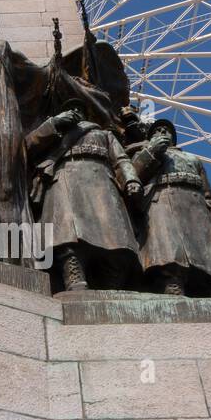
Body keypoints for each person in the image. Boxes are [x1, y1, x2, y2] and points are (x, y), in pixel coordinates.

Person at [27, 99, 142, 291]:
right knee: (68, 236)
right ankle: (74, 280)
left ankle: (111, 284)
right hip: (66, 179)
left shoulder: (103, 134)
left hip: (102, 182)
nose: (74, 112)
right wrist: (54, 123)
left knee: (117, 238)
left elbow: (121, 160)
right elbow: (28, 146)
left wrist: (131, 180)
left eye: (79, 109)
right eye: (70, 108)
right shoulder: (54, 132)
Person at [131, 119, 211, 302]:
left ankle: (207, 297)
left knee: (206, 258)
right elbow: (134, 175)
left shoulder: (193, 160)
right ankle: (173, 289)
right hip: (163, 202)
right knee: (171, 253)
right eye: (157, 130)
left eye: (167, 130)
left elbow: (209, 197)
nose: (162, 131)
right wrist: (151, 152)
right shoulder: (144, 153)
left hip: (195, 208)